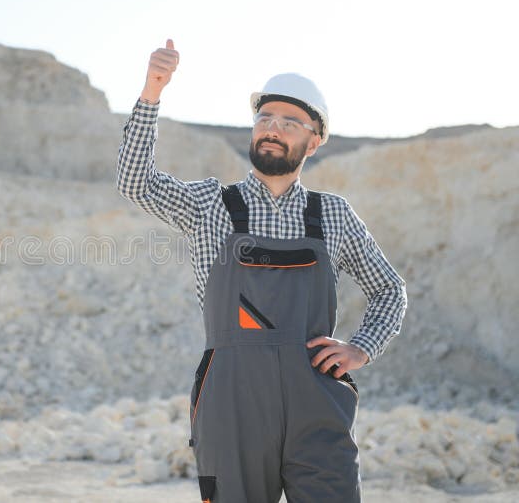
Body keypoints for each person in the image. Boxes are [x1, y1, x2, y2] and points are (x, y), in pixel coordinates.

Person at [116, 39, 408, 502]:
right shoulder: (210, 205)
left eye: (290, 122)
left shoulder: (331, 214)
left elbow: (390, 290)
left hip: (316, 407)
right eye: (265, 118)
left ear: (314, 140)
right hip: (232, 403)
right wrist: (153, 89)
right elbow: (135, 181)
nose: (273, 128)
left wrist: (360, 349)